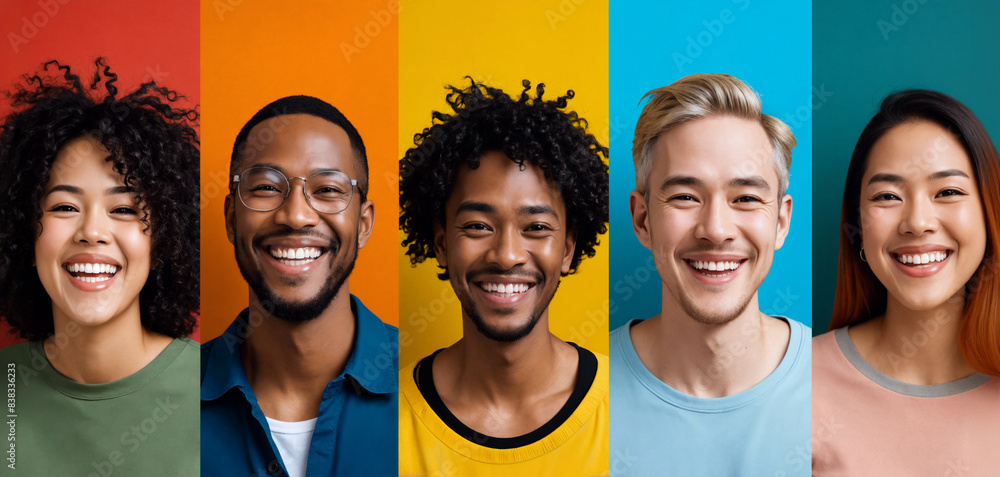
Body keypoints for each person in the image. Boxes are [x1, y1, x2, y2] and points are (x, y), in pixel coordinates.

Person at [398, 79, 610, 475]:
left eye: (536, 227)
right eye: (478, 226)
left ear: (567, 249)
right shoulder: (387, 423)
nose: (507, 255)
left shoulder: (625, 407)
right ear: (442, 245)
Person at [0, 59, 200, 475]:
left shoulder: (217, 387)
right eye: (64, 206)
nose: (92, 231)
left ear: (162, 237)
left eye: (124, 208)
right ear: (24, 233)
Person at [610, 73, 811, 476]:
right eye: (685, 196)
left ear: (781, 221)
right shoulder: (585, 394)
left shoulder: (832, 384)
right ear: (642, 218)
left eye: (746, 198)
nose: (716, 229)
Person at [200, 95, 398, 477]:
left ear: (364, 224)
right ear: (230, 218)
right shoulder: (167, 403)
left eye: (327, 189)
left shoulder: (423, 388)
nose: (296, 215)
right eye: (266, 188)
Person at [813, 89, 1000, 475]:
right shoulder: (796, 386)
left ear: (989, 211)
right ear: (859, 225)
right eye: (887, 195)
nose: (917, 222)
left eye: (947, 191)